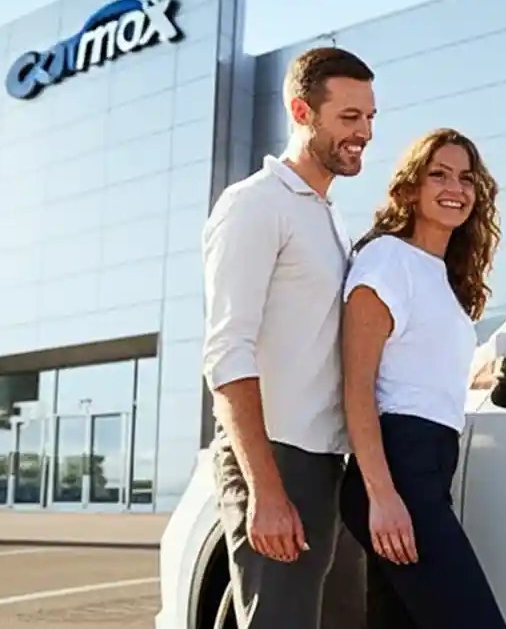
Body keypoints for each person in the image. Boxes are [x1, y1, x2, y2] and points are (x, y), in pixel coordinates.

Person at [201, 46, 377, 628]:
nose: (365, 133)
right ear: (303, 111)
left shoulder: (327, 215)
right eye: (349, 118)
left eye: (370, 117)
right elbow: (226, 354)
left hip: (330, 460)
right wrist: (266, 490)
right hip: (277, 457)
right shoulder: (254, 205)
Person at [338, 128, 506, 628]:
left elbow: (424, 374)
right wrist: (383, 496)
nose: (455, 186)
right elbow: (357, 386)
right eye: (438, 174)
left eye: (466, 177)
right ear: (410, 188)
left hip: (430, 467)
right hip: (397, 469)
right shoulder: (388, 259)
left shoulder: (442, 277)